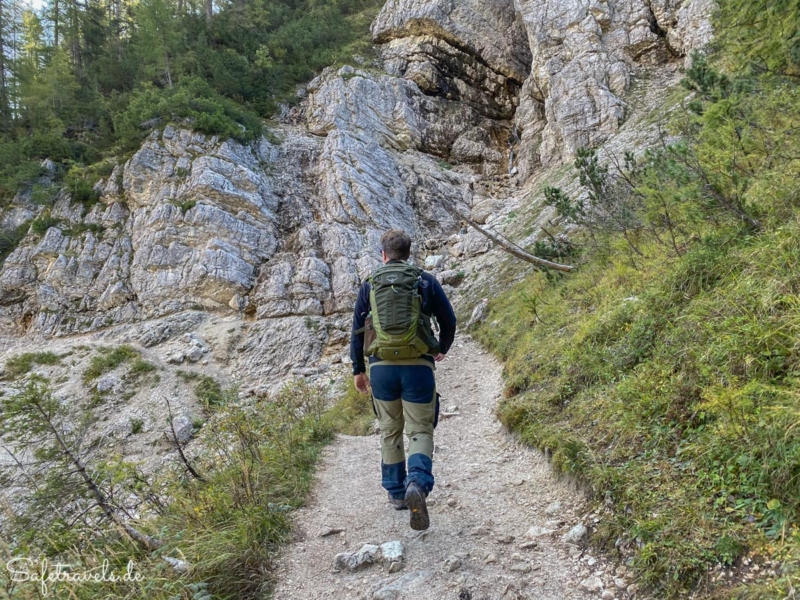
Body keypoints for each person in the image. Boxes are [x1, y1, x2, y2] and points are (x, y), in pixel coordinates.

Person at [350, 229, 456, 530]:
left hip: (381, 369)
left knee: (389, 430)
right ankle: (417, 484)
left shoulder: (369, 284)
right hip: (418, 367)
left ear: (383, 254)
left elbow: (357, 329)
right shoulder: (425, 280)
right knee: (420, 429)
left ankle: (396, 493)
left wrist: (358, 370)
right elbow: (449, 319)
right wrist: (442, 348)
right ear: (409, 253)